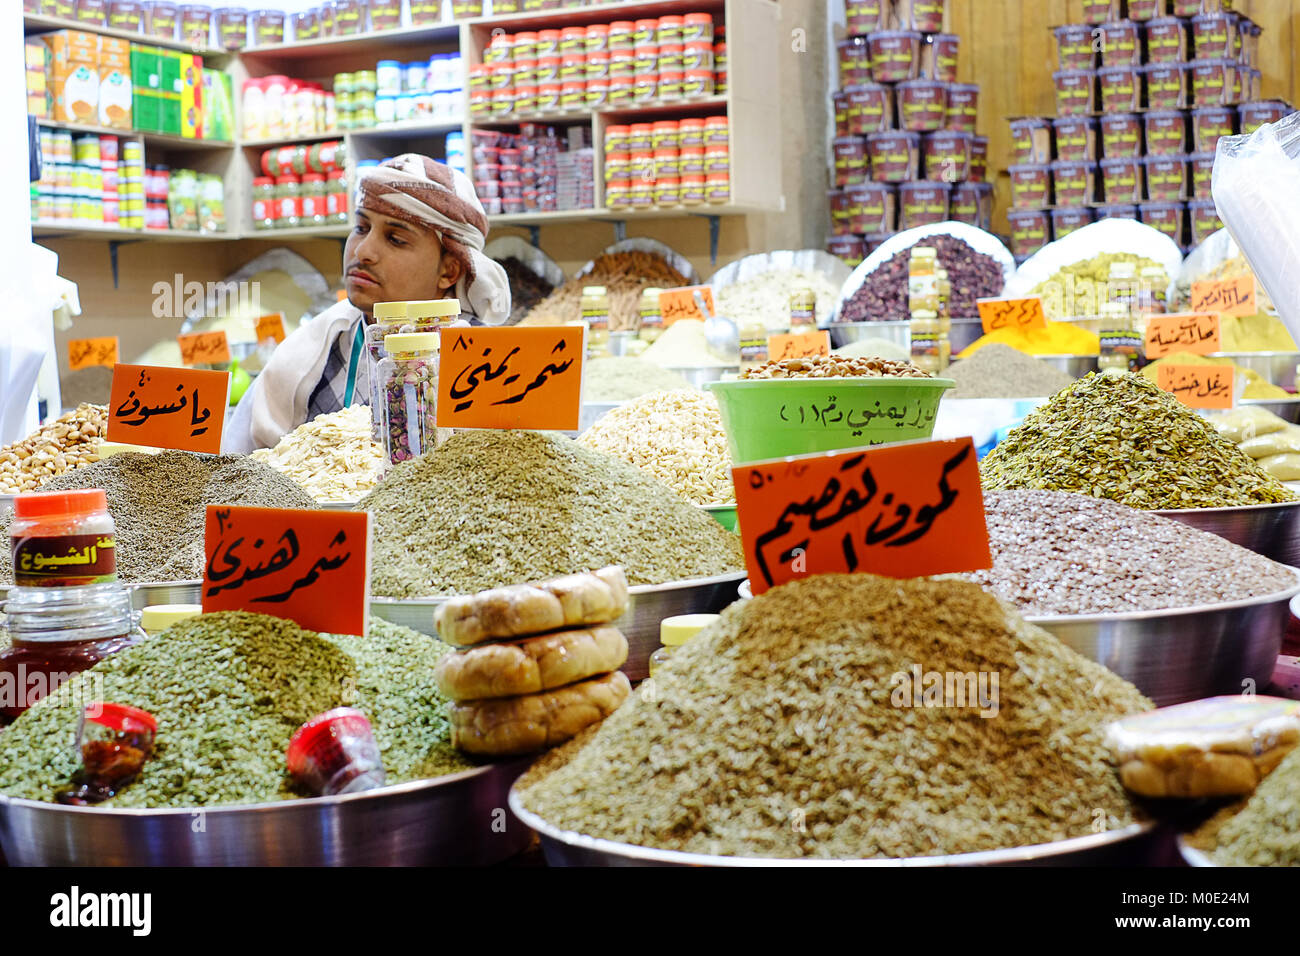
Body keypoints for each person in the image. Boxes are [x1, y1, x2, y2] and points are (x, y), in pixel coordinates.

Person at [223, 153, 511, 453]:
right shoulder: (313, 348)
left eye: (396, 239)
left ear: (449, 270)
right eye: (361, 228)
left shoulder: (487, 364)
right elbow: (240, 465)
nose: (363, 251)